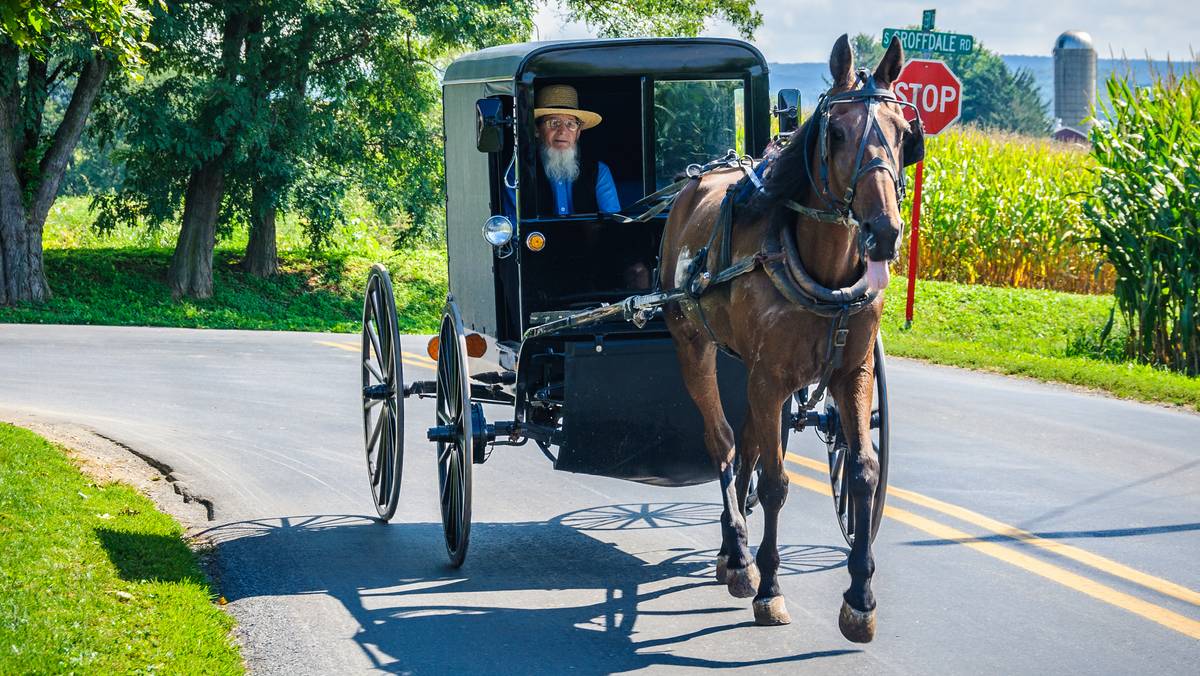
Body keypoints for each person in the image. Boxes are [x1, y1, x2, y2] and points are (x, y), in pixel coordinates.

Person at [503, 84, 621, 217]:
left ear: (578, 133)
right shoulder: (518, 173)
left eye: (570, 124)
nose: (563, 131)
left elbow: (612, 224)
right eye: (554, 123)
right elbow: (515, 228)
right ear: (537, 130)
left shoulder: (599, 171)